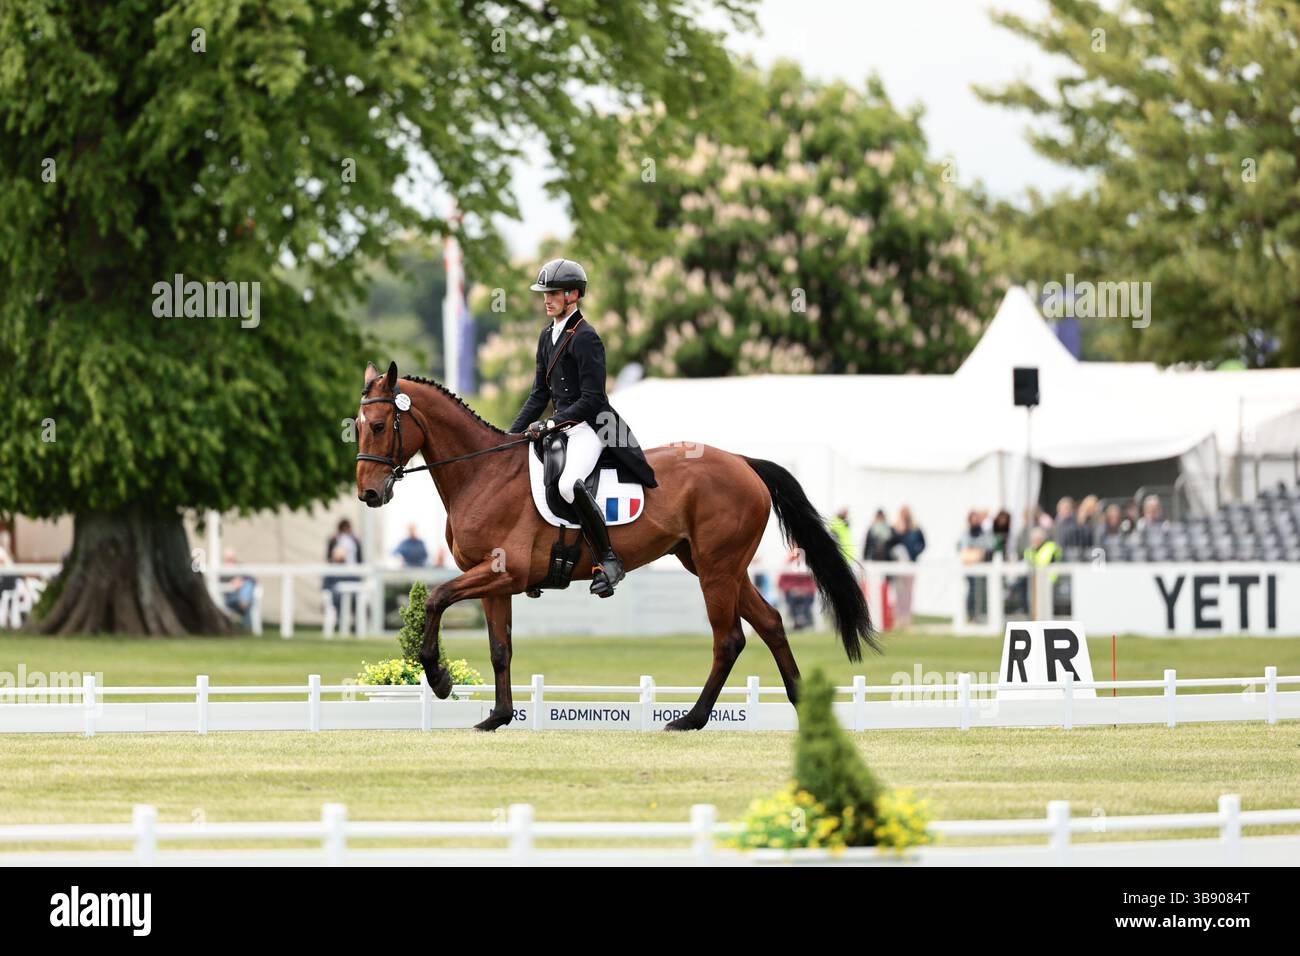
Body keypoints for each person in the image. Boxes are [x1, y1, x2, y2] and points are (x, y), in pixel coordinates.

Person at [509, 258, 658, 598]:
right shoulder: (547, 336)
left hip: (592, 427)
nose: (547, 299)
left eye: (554, 293)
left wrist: (549, 423)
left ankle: (608, 559)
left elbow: (593, 399)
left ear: (573, 295)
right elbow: (538, 395)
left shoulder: (587, 337)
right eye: (544, 293)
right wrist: (510, 437)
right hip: (562, 428)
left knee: (565, 484)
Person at [220, 548, 257, 630]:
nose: (231, 560)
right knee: (248, 600)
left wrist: (240, 581)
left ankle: (244, 601)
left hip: (242, 595)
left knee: (248, 584)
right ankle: (248, 628)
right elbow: (219, 583)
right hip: (231, 597)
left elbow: (253, 579)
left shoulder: (240, 568)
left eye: (232, 558)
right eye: (229, 558)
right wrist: (232, 582)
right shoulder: (222, 571)